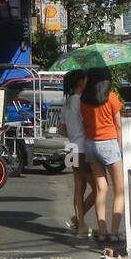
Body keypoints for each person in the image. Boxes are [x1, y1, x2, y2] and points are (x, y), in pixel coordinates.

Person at [80, 66, 124, 250]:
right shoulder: (112, 98)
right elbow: (119, 125)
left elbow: (84, 124)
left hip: (91, 145)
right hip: (109, 144)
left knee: (101, 189)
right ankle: (114, 233)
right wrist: (119, 148)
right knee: (119, 190)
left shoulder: (84, 100)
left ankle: (102, 230)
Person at [58, 69, 92, 236]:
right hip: (83, 149)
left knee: (78, 189)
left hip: (70, 147)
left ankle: (80, 225)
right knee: (99, 190)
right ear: (80, 82)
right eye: (86, 79)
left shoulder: (66, 102)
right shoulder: (82, 102)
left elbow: (61, 130)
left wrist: (73, 133)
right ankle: (77, 220)